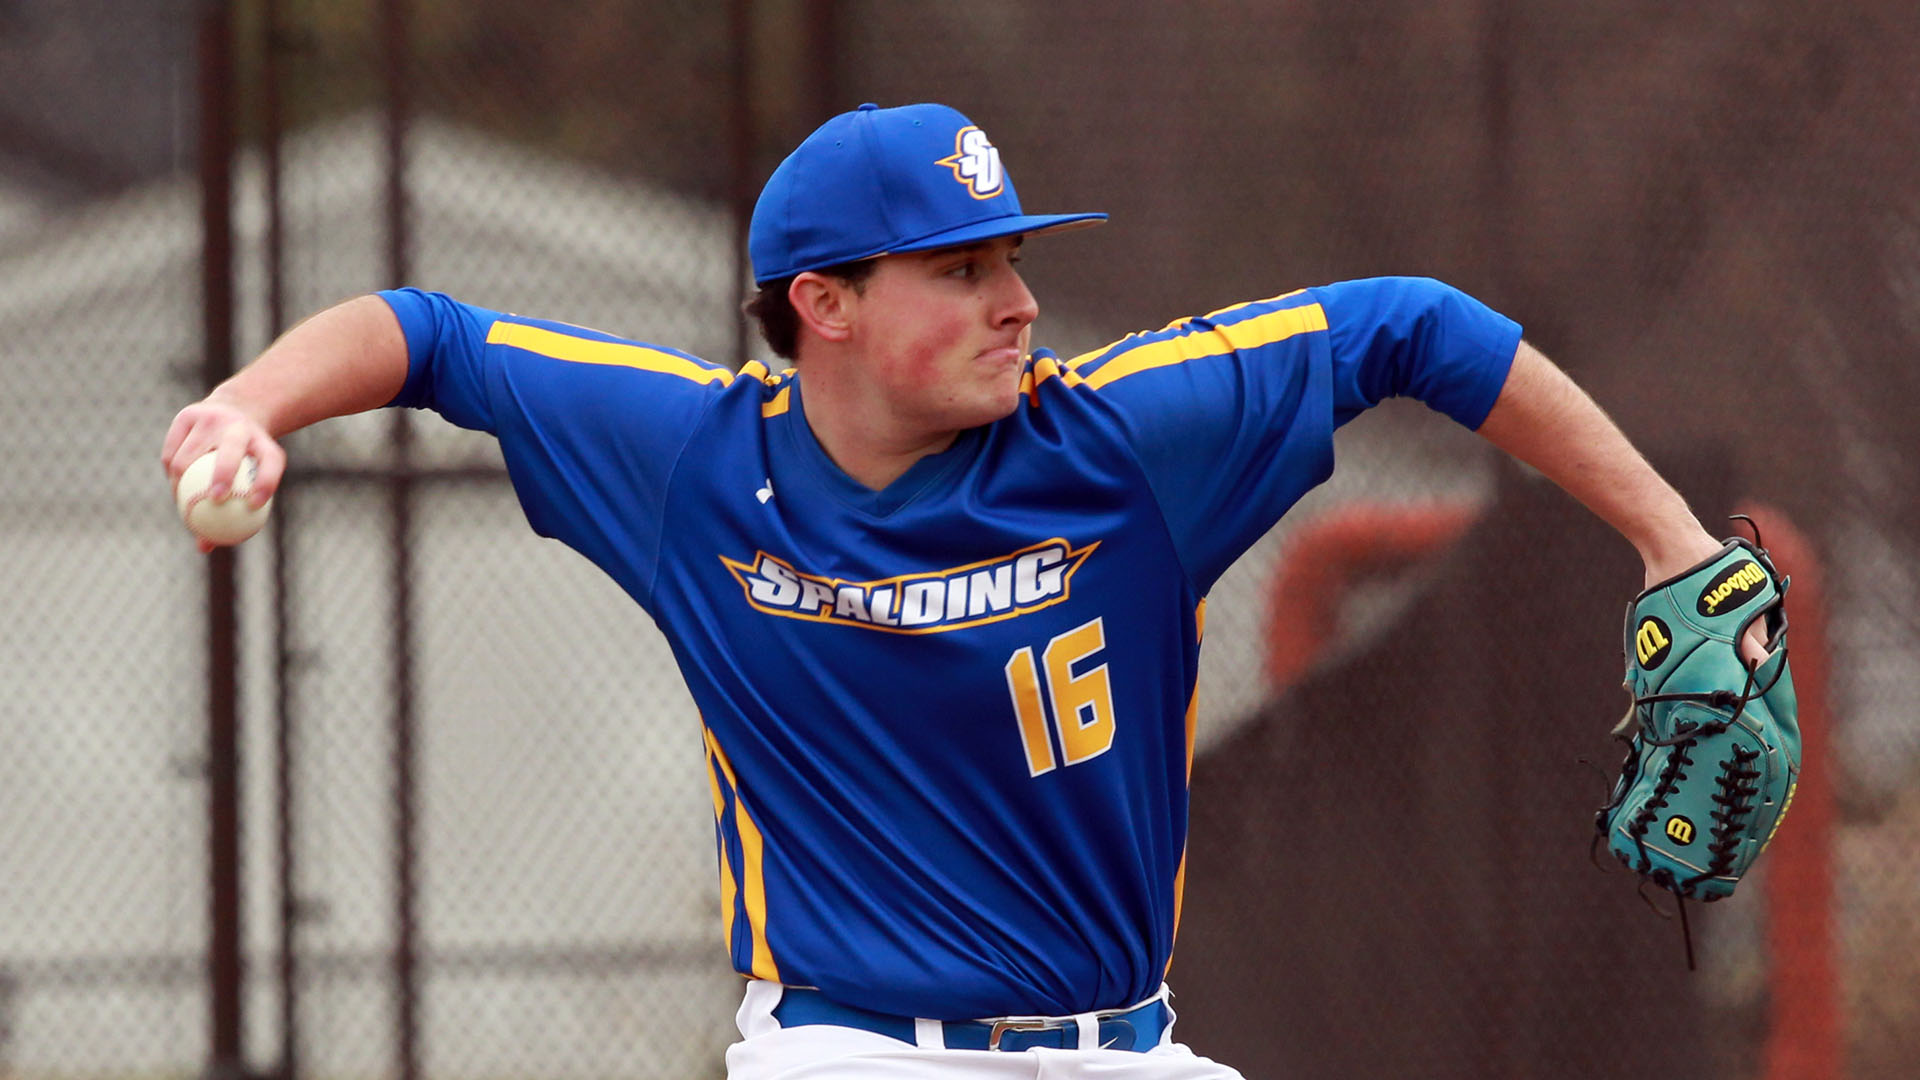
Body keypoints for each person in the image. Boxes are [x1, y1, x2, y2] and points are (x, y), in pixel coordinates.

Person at [162, 102, 1764, 1079]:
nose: (1021, 300)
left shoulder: (1122, 441)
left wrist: (1674, 544)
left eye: (1012, 258)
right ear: (826, 305)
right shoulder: (698, 464)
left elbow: (1413, 325)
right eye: (964, 271)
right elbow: (426, 333)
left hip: (1125, 1047)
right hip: (851, 1056)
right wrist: (250, 403)